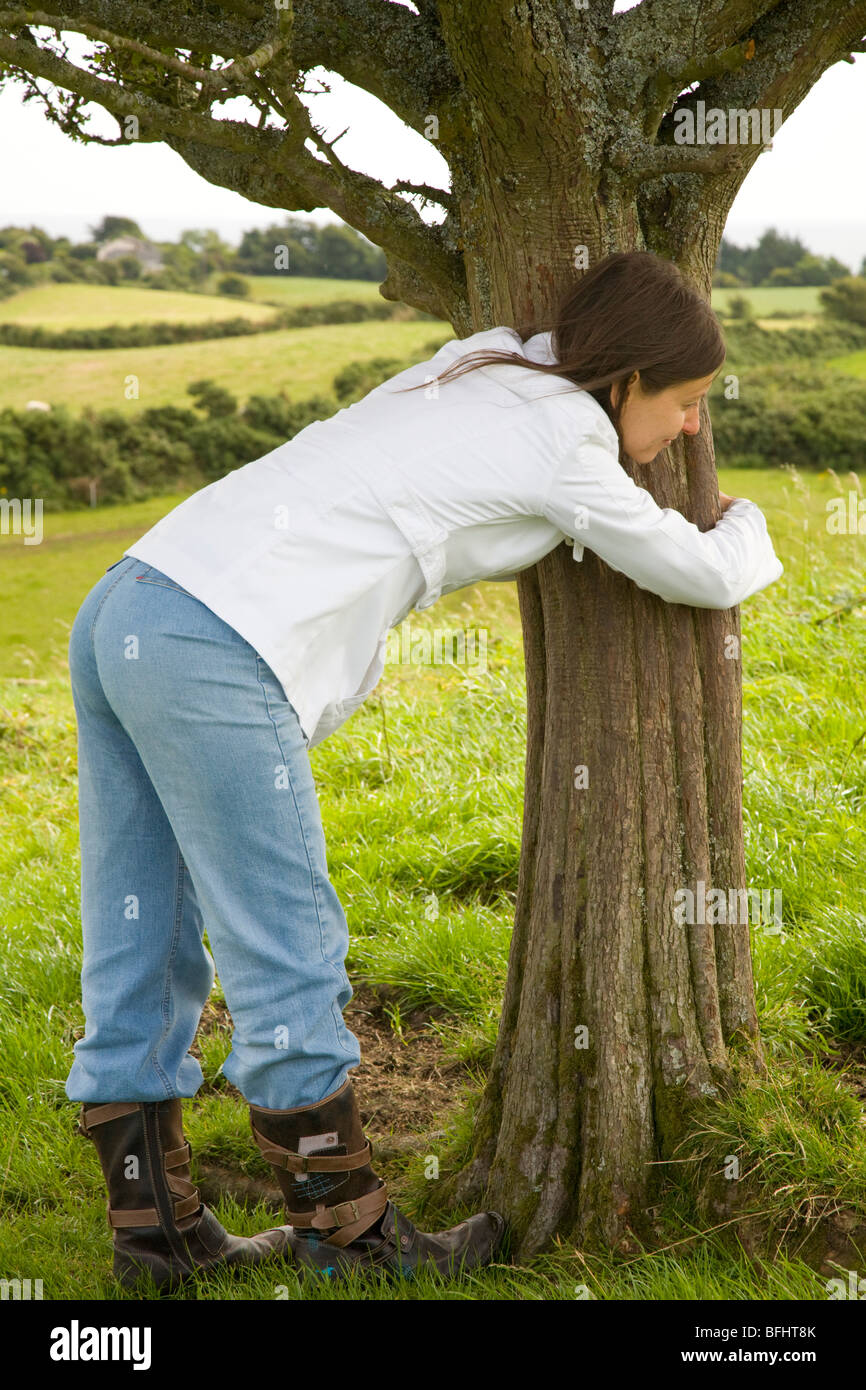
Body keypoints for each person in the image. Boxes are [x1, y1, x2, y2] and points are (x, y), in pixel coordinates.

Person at [65, 250, 783, 1292]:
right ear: (624, 378)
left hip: (128, 599)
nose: (689, 431)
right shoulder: (566, 442)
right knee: (285, 934)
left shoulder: (485, 361)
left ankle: (157, 1239)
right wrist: (745, 517)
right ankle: (347, 1237)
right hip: (217, 640)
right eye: (684, 403)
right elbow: (703, 569)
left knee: (139, 916)